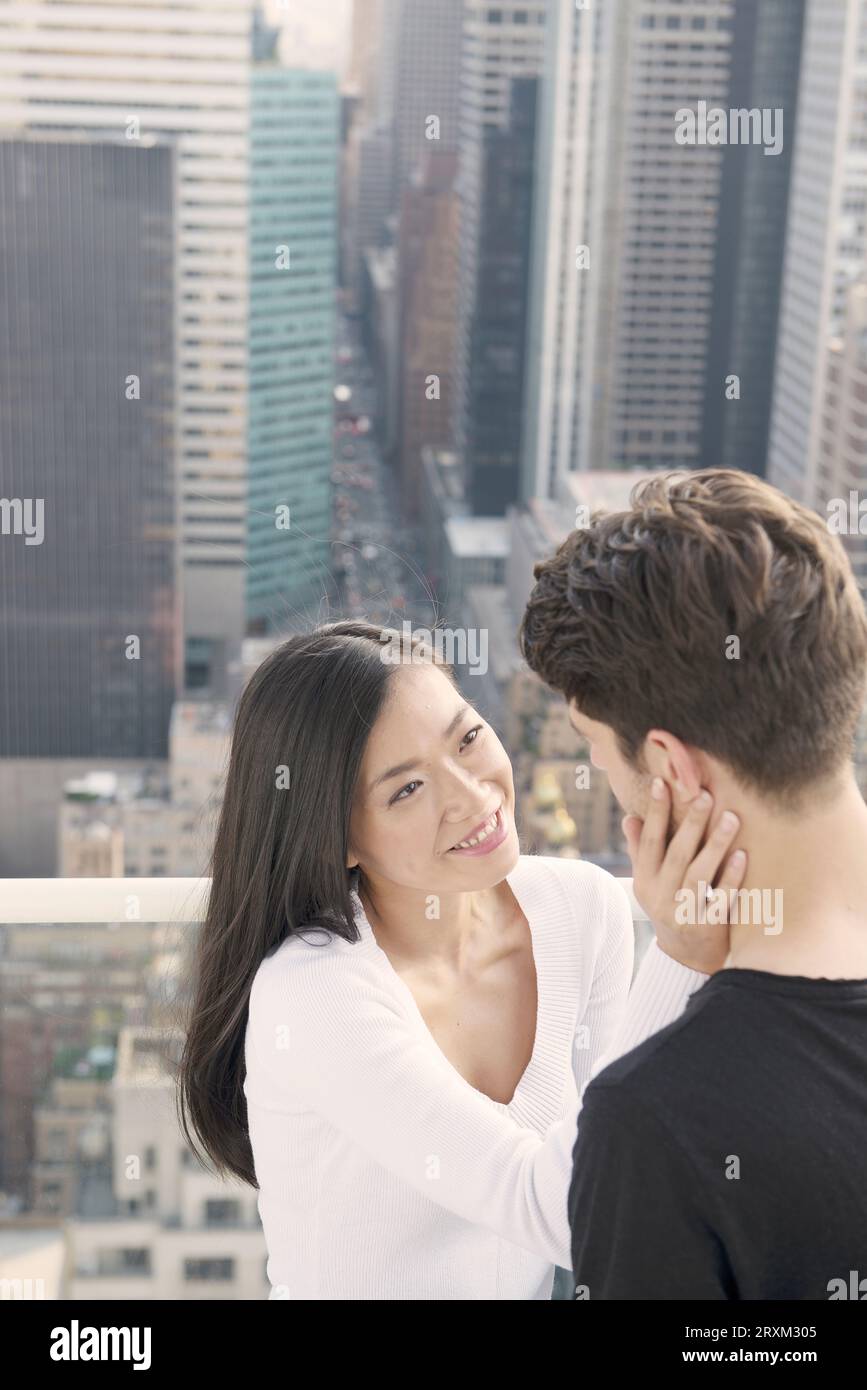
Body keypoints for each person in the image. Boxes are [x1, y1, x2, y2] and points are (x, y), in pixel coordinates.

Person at [176, 618, 744, 1300]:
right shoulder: (313, 994)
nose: (473, 797)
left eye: (468, 739)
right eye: (406, 790)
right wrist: (680, 955)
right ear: (337, 840)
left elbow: (632, 1162)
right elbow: (573, 1211)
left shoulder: (582, 908)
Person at [520, 467, 867, 1300]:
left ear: (670, 768)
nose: (597, 772)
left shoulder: (655, 1121)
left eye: (594, 749)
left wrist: (683, 967)